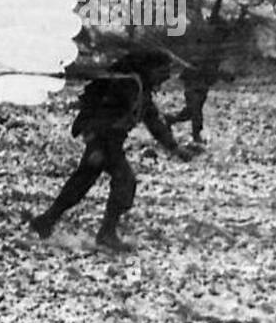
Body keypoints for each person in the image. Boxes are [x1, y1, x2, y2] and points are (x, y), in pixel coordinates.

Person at [29, 50, 194, 252]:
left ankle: (46, 220)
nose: (166, 76)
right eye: (163, 71)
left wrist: (174, 148)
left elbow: (153, 121)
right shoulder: (128, 86)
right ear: (150, 69)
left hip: (108, 141)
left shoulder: (140, 89)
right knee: (125, 180)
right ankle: (106, 233)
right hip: (104, 141)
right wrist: (96, 146)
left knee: (82, 182)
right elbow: (103, 116)